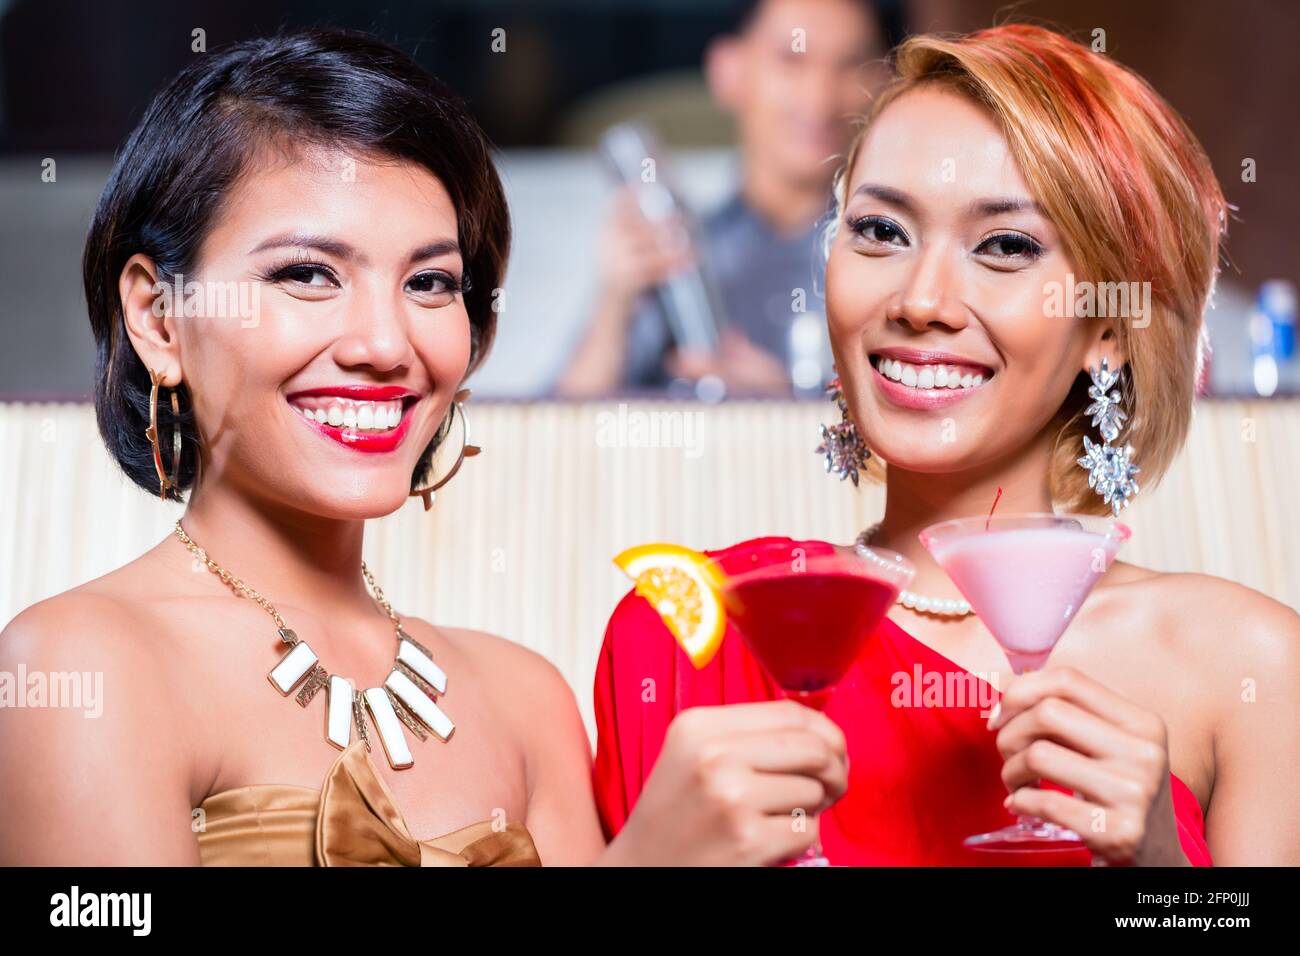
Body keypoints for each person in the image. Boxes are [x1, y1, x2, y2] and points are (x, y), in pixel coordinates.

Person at [0, 29, 848, 867]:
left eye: (429, 283)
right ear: (157, 316)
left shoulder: (527, 701)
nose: (383, 342)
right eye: (306, 273)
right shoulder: (78, 667)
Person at [592, 24, 1300, 865]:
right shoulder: (696, 630)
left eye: (1005, 246)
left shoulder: (1250, 665)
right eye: (881, 232)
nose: (920, 299)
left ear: (1110, 325)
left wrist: (1160, 876)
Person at [554, 0, 896, 397]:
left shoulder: (896, 262)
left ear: (884, 84)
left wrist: (785, 415)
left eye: (851, 64)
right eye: (792, 59)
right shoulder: (675, 256)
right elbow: (557, 427)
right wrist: (614, 304)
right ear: (728, 70)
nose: (820, 96)